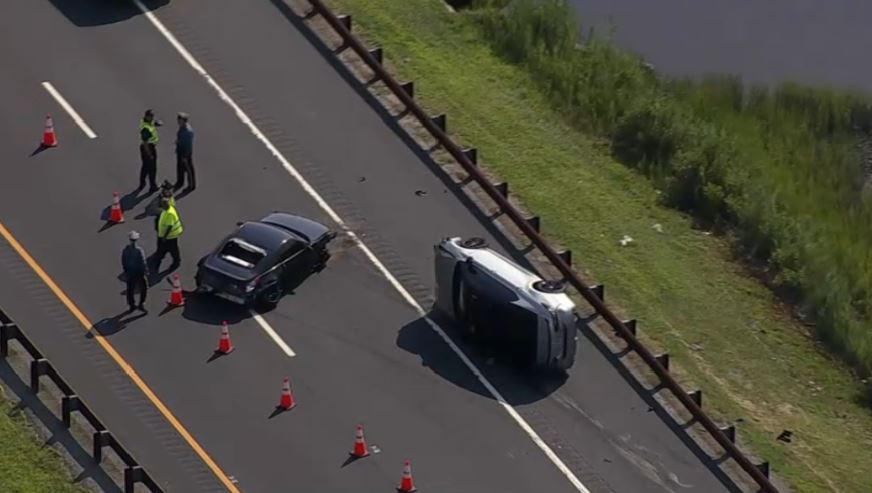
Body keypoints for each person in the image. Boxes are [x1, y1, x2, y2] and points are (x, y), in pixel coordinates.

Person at [152, 198, 184, 272]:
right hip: (163, 235)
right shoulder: (167, 210)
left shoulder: (169, 213)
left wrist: (164, 237)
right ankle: (160, 256)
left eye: (162, 205)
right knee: (162, 247)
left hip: (170, 236)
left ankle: (176, 262)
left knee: (173, 249)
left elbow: (169, 226)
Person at [121, 231, 149, 312]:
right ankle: (142, 304)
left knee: (130, 289)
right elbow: (143, 261)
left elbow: (123, 261)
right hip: (139, 272)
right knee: (144, 288)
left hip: (130, 272)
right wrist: (146, 270)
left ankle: (131, 305)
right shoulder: (139, 250)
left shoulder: (125, 250)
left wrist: (126, 270)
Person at [138, 109, 162, 193]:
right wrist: (149, 154)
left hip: (147, 147)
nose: (152, 118)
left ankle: (142, 183)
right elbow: (145, 143)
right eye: (151, 116)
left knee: (145, 166)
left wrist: (155, 124)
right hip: (148, 148)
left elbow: (151, 125)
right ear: (147, 116)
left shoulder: (146, 122)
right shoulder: (146, 129)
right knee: (152, 169)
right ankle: (153, 186)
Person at [174, 112, 196, 191]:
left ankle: (191, 185)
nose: (178, 121)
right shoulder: (182, 127)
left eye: (180, 120)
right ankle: (180, 182)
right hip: (180, 151)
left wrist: (185, 156)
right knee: (180, 167)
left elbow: (187, 145)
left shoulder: (187, 131)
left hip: (185, 153)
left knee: (188, 169)